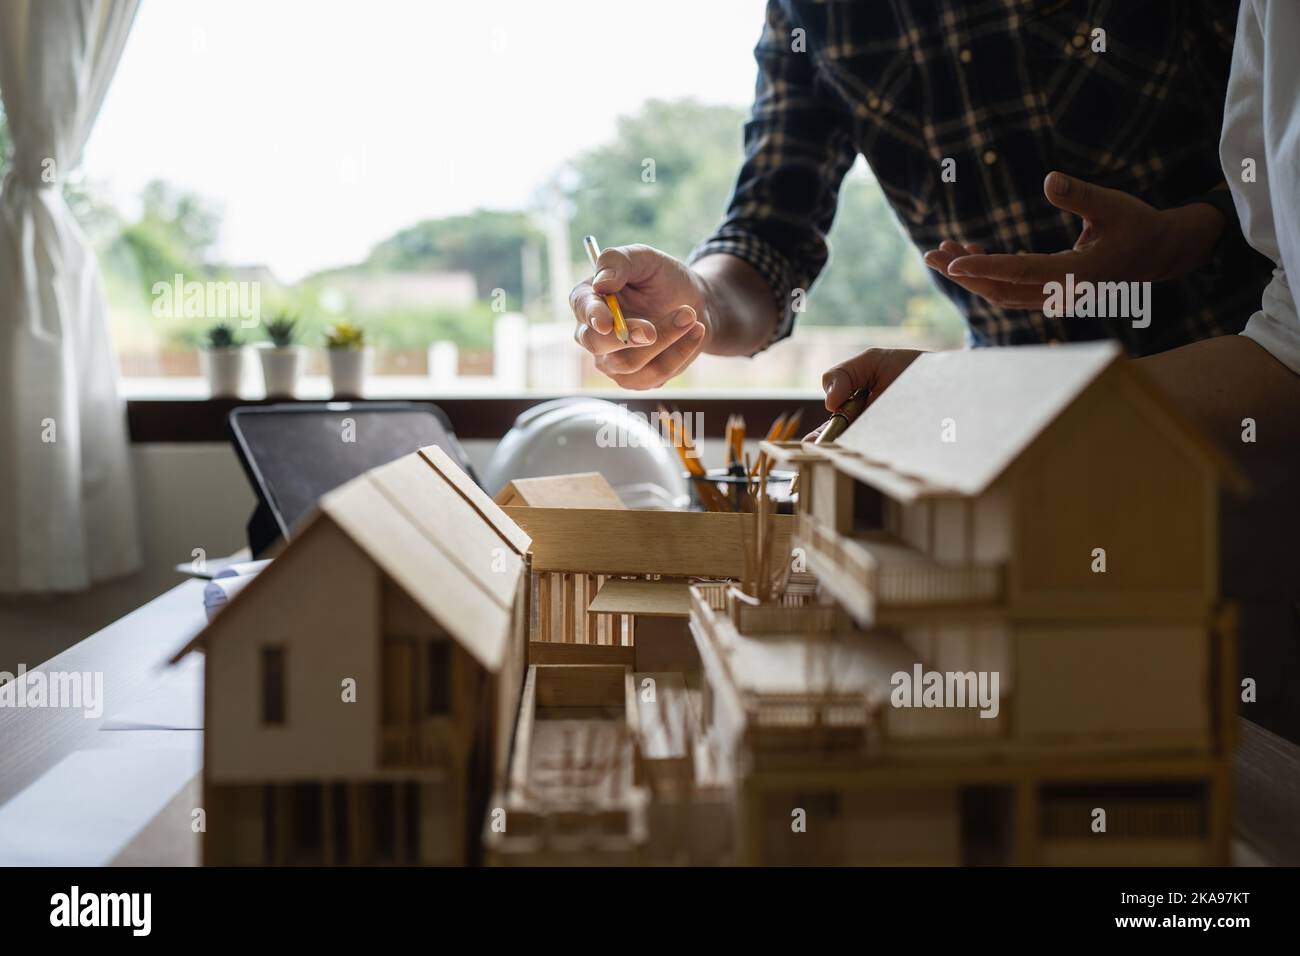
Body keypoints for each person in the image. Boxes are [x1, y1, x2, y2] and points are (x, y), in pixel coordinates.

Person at [569, 1, 1270, 392]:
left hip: (1241, 391)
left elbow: (1278, 143)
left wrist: (1193, 232)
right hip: (1018, 431)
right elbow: (768, 238)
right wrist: (696, 302)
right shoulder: (809, 13)